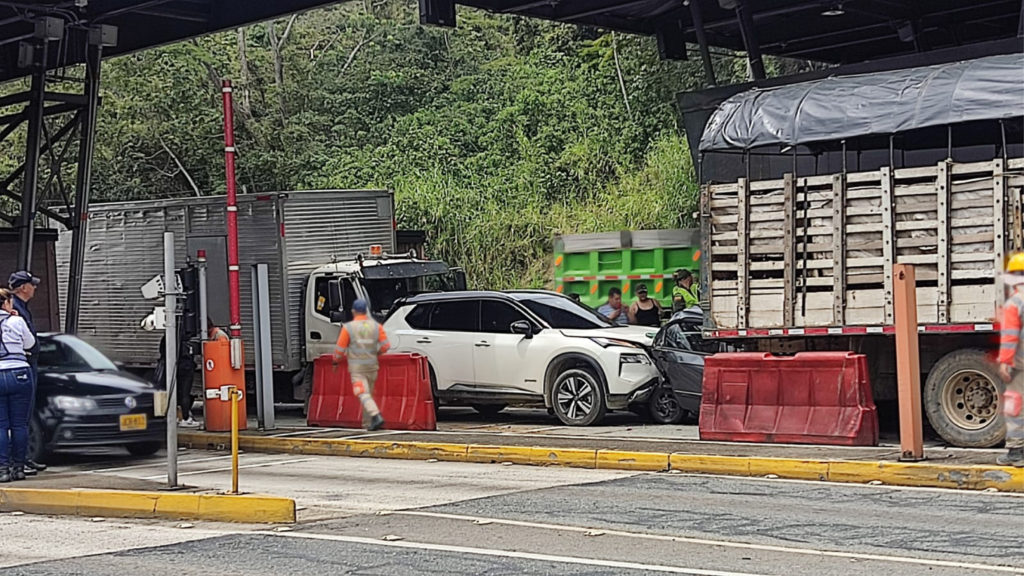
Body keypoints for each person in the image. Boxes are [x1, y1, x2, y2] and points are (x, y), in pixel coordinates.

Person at [7, 271, 45, 475]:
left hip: (20, 366)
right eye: (32, 284)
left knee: (15, 419)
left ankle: (19, 461)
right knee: (19, 418)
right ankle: (18, 462)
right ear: (23, 287)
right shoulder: (17, 312)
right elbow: (28, 342)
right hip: (21, 367)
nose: (35, 287)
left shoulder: (21, 309)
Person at [333, 299, 390, 431]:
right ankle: (368, 424)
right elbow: (386, 346)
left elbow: (340, 349)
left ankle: (376, 416)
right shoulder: (376, 326)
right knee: (368, 394)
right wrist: (376, 353)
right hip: (372, 367)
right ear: (365, 311)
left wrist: (335, 360)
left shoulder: (349, 328)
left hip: (357, 368)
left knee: (362, 393)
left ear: (353, 311)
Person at [0, 288, 36, 482]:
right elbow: (29, 343)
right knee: (19, 424)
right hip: (19, 372)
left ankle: (3, 469)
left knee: (1, 425)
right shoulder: (16, 320)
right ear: (6, 303)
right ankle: (19, 468)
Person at [997, 253, 1024, 467]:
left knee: (1016, 405)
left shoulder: (1015, 302)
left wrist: (1005, 361)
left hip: (1021, 363)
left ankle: (1016, 451)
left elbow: (1010, 335)